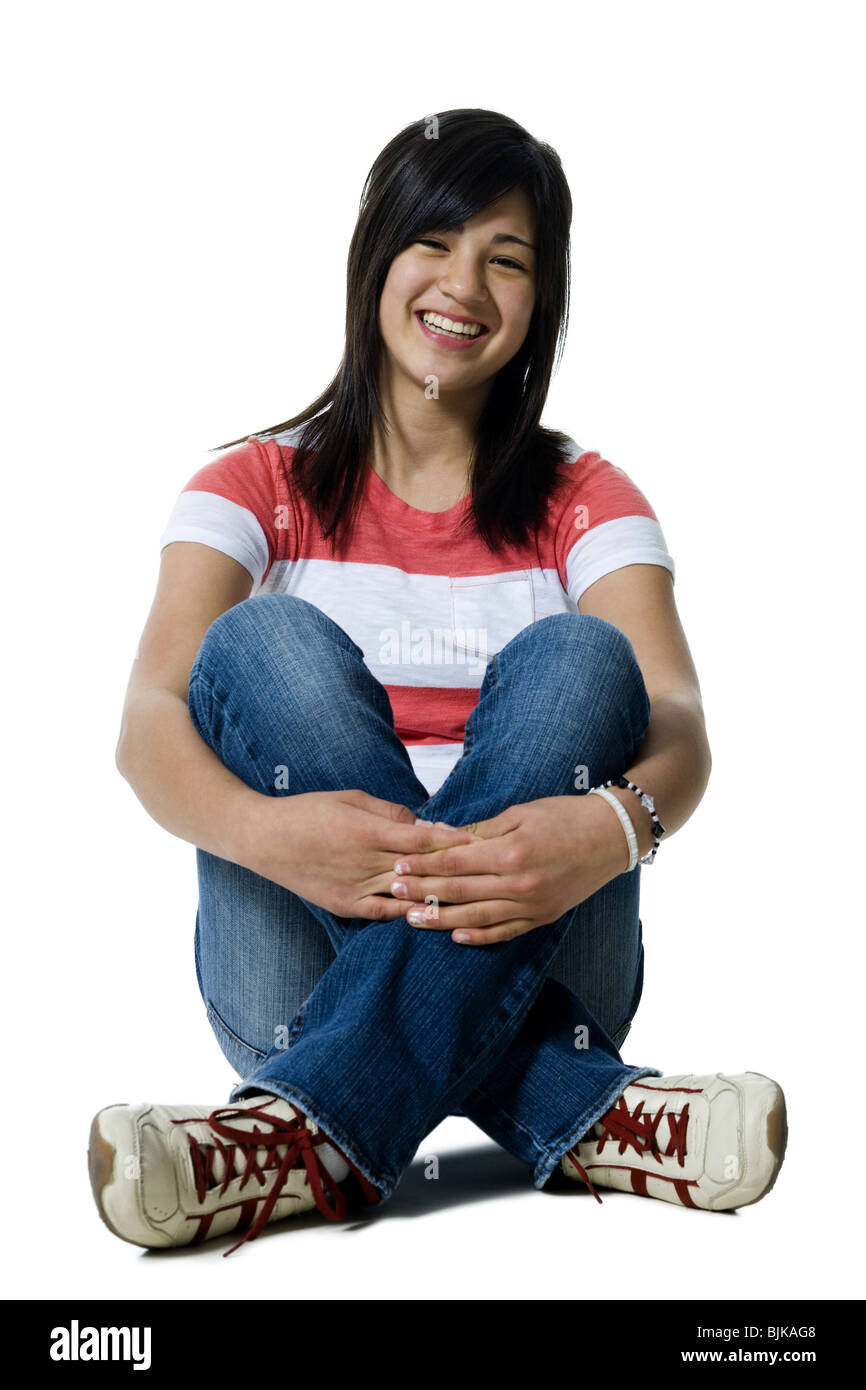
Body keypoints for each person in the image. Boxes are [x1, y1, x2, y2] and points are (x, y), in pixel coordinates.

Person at [89, 109, 787, 1255]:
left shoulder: (584, 499)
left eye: (505, 259)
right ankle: (602, 1115)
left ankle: (292, 1137)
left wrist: (607, 830)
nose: (462, 284)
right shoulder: (252, 487)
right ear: (377, 253)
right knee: (260, 643)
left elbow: (678, 724)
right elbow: (146, 722)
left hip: (550, 929)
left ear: (540, 300)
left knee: (582, 658)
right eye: (434, 240)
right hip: (289, 970)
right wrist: (270, 833)